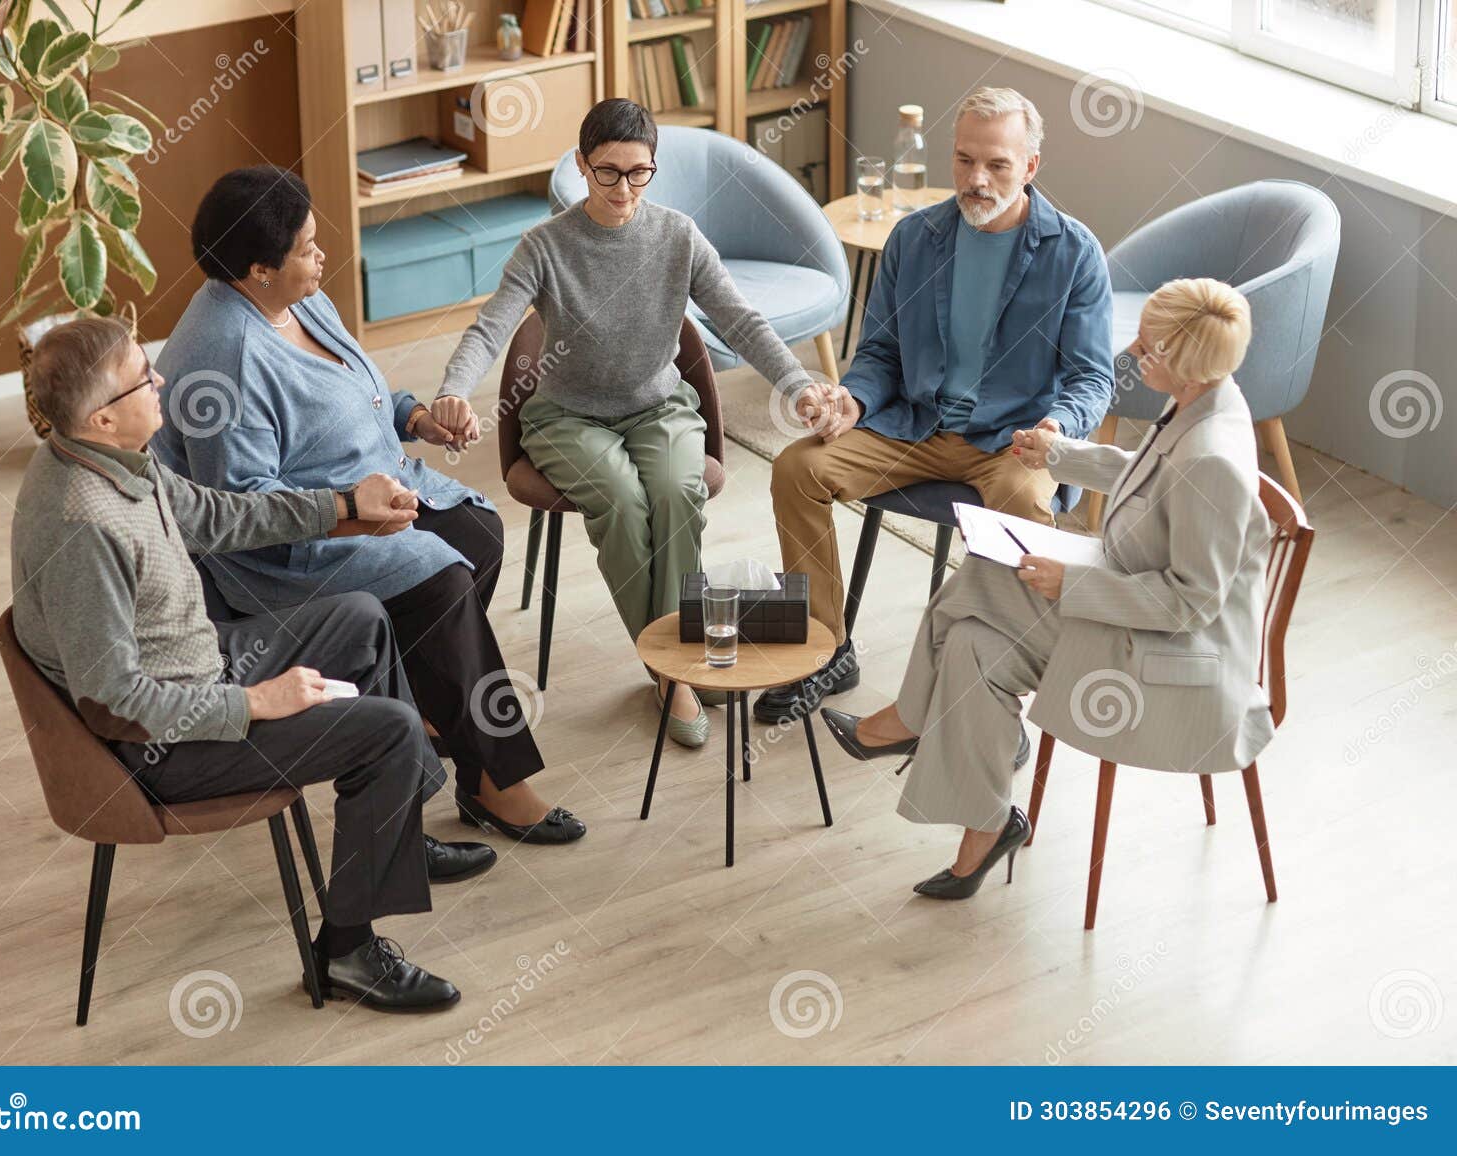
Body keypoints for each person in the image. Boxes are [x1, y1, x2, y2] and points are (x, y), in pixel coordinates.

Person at [11, 317, 498, 1010]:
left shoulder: (111, 457)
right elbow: (111, 698)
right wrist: (257, 703)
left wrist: (342, 506)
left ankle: (398, 841)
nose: (163, 382)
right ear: (103, 416)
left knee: (362, 615)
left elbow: (215, 517)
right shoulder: (82, 524)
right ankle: (346, 955)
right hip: (160, 744)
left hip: (197, 664)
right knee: (388, 729)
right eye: (144, 378)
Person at [152, 167, 584, 845]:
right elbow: (241, 512)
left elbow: (356, 388)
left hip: (369, 487)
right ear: (259, 269)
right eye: (306, 248)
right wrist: (349, 506)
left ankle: (430, 713)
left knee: (478, 533)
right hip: (290, 548)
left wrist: (415, 418)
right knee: (441, 585)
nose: (321, 256)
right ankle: (494, 778)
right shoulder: (223, 360)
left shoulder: (297, 298)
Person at [821, 279, 1276, 899]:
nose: (1136, 347)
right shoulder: (1205, 402)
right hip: (1129, 602)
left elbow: (1191, 603)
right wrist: (1060, 455)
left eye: (1150, 345)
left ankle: (909, 719)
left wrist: (1073, 583)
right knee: (974, 644)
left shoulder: (1213, 459)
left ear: (1185, 366)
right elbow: (1151, 473)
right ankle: (985, 825)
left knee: (983, 575)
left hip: (1172, 658)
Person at [430, 98, 820, 749]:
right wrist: (451, 393)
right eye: (608, 172)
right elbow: (489, 328)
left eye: (639, 173)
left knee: (676, 491)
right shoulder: (546, 246)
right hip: (565, 416)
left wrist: (798, 385)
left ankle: (674, 668)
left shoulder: (677, 235)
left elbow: (740, 319)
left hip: (658, 405)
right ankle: (678, 672)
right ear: (582, 166)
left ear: (653, 169)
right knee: (620, 497)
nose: (623, 189)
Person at [761, 86, 1114, 726]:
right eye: (965, 160)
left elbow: (1092, 375)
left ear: (1030, 167)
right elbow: (880, 353)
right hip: (913, 427)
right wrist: (854, 400)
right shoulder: (915, 238)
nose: (977, 180)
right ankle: (826, 653)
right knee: (796, 469)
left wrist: (1056, 428)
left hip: (1011, 442)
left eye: (998, 165)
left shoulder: (1074, 253)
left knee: (1027, 509)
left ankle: (1000, 689)